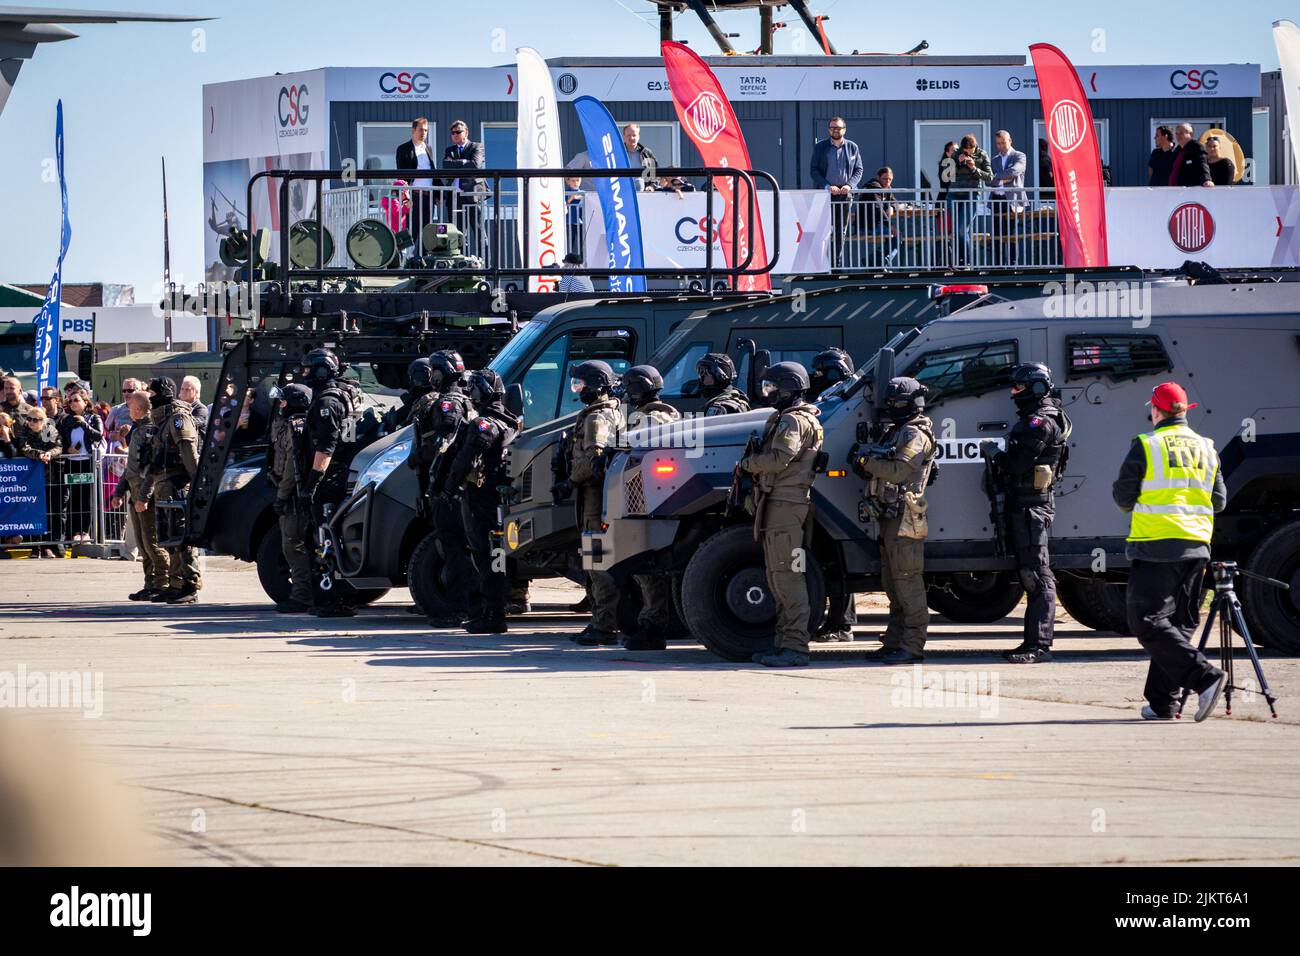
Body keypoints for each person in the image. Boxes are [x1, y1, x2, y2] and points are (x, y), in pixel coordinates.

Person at [1112, 381, 1228, 722]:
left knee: (1146, 621)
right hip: (1197, 546)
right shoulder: (1207, 447)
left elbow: (1123, 497)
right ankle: (1164, 702)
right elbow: (1219, 501)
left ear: (1156, 411)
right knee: (1178, 623)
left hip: (1157, 544)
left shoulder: (1147, 444)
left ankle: (1205, 678)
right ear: (1184, 411)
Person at [982, 363, 1072, 664]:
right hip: (1026, 503)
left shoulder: (1040, 423)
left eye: (1019, 387)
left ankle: (1040, 645)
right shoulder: (1040, 419)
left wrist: (996, 455)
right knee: (1029, 572)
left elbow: (1016, 464)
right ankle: (1032, 642)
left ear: (1035, 388)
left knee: (1037, 574)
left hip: (1032, 505)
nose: (1013, 392)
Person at [739, 362, 824, 667]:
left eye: (772, 387)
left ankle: (796, 647)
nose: (768, 393)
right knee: (778, 576)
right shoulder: (786, 419)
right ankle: (784, 643)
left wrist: (749, 463)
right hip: (777, 504)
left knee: (788, 577)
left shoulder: (794, 422)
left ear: (788, 387)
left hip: (787, 505)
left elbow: (779, 459)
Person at [851, 378, 937, 664]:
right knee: (893, 584)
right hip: (889, 515)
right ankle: (894, 641)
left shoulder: (915, 434)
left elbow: (899, 470)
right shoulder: (897, 432)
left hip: (905, 518)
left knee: (907, 582)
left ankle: (912, 646)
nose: (891, 407)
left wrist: (866, 462)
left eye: (897, 402)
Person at [444, 368, 520, 635]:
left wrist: (449, 487)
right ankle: (497, 609)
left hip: (480, 497)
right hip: (500, 498)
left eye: (473, 388)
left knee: (485, 556)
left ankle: (492, 614)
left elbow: (465, 460)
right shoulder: (511, 421)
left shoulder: (484, 424)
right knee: (498, 555)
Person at [410, 351, 479, 627]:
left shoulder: (449, 404)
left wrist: (421, 459)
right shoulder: (466, 399)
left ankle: (459, 608)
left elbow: (444, 444)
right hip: (458, 486)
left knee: (455, 550)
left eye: (435, 370)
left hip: (449, 488)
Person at [562, 360, 625, 646]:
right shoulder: (613, 412)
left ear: (596, 385)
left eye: (581, 384)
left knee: (596, 558)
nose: (578, 390)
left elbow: (593, 459)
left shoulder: (596, 418)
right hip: (603, 495)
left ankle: (603, 625)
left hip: (595, 497)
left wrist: (570, 481)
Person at [618, 365, 680, 651]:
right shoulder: (665, 414)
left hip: (645, 500)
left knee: (646, 566)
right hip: (656, 499)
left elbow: (638, 455)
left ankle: (653, 627)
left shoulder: (651, 419)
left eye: (629, 386)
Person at [300, 348, 365, 618]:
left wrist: (312, 483)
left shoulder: (327, 402)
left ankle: (331, 599)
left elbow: (326, 447)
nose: (304, 374)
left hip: (329, 478)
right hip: (340, 473)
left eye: (308, 369)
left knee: (324, 538)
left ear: (320, 370)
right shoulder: (343, 395)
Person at [808, 347, 857, 643]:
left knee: (836, 562)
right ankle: (837, 620)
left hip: (836, 492)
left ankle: (841, 624)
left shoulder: (840, 397)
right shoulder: (833, 397)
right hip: (826, 489)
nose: (814, 377)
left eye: (819, 371)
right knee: (830, 563)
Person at [144, 377, 201, 604]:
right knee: (169, 535)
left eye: (153, 392)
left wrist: (197, 481)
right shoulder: (163, 419)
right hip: (165, 483)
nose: (150, 397)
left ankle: (190, 584)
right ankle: (176, 583)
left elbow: (188, 450)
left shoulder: (178, 418)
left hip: (178, 483)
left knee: (182, 535)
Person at [110, 390, 169, 600]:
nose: (128, 409)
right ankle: (150, 582)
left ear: (138, 409)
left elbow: (152, 468)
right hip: (135, 493)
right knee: (143, 545)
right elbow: (131, 468)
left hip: (146, 495)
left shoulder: (150, 431)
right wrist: (119, 492)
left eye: (130, 406)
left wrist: (144, 497)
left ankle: (162, 583)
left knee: (152, 542)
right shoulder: (137, 431)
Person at [268, 383, 314, 613]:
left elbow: (290, 468)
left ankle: (302, 596)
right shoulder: (292, 425)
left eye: (284, 400)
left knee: (293, 545)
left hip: (293, 495)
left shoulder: (294, 428)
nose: (281, 404)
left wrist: (282, 496)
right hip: (295, 493)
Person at [810, 117, 863, 268]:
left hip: (845, 195)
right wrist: (827, 186)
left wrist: (849, 185)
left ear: (844, 129)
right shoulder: (820, 147)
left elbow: (859, 169)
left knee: (841, 231)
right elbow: (813, 171)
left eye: (838, 128)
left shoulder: (852, 147)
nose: (835, 130)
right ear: (829, 130)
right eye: (832, 127)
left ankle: (836, 264)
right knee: (824, 231)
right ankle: (822, 264)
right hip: (826, 195)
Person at [56, 388, 104, 544]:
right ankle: (74, 531)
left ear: (85, 402)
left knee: (87, 497)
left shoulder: (93, 417)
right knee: (73, 498)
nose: (72, 403)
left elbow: (98, 435)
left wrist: (84, 425)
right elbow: (60, 439)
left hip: (88, 462)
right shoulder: (66, 420)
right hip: (72, 463)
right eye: (70, 401)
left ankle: (85, 531)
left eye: (76, 400)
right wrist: (67, 448)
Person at [16, 404, 64, 558]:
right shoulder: (24, 430)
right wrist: (39, 454)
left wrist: (49, 454)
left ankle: (48, 545)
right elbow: (24, 447)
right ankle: (34, 546)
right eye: (29, 419)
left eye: (35, 420)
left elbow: (58, 446)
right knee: (33, 512)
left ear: (43, 421)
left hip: (49, 478)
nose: (31, 422)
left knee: (50, 512)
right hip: (30, 478)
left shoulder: (49, 430)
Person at [396, 117, 437, 251]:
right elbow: (401, 175)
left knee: (427, 231)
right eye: (421, 130)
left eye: (426, 130)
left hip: (428, 197)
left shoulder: (428, 148)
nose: (423, 133)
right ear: (413, 130)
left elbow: (432, 171)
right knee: (410, 231)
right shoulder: (403, 149)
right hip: (413, 196)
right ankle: (401, 261)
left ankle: (422, 264)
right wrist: (405, 197)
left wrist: (438, 195)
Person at [951, 134, 993, 267]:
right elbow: (946, 176)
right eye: (965, 150)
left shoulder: (982, 155)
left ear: (975, 147)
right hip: (954, 195)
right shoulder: (956, 154)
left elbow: (990, 177)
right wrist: (957, 162)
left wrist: (974, 168)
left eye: (970, 151)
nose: (967, 153)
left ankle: (966, 262)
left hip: (972, 195)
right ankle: (959, 262)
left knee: (963, 230)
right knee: (957, 231)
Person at [989, 130, 1027, 266]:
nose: (1001, 146)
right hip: (996, 200)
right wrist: (1003, 179)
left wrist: (998, 177)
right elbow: (990, 180)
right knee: (997, 235)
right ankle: (998, 264)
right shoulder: (994, 160)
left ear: (1010, 141)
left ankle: (1012, 264)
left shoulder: (1019, 156)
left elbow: (1015, 171)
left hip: (1013, 200)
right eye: (998, 143)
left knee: (1012, 234)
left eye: (1003, 142)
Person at [441, 119, 485, 228]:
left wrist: (456, 163)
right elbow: (446, 165)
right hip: (455, 196)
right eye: (453, 133)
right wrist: (465, 162)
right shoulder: (449, 150)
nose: (455, 135)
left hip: (472, 195)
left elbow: (475, 165)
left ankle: (483, 247)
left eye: (458, 132)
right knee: (457, 233)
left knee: (479, 230)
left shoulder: (476, 146)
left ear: (466, 133)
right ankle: (459, 246)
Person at [862, 166, 899, 267]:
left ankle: (872, 260)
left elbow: (895, 202)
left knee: (895, 236)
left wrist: (892, 207)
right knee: (896, 236)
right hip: (868, 225)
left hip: (878, 224)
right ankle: (883, 261)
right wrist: (890, 225)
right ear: (878, 177)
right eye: (885, 178)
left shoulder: (887, 188)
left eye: (890, 179)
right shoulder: (873, 187)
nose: (887, 181)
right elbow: (878, 208)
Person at [1168, 123, 1213, 188]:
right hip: (1174, 190)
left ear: (1191, 134)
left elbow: (1203, 164)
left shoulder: (1196, 147)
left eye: (1181, 133)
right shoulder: (1177, 150)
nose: (1178, 136)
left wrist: (1207, 179)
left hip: (1190, 190)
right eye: (1176, 133)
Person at [178, 376, 208, 444]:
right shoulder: (178, 407)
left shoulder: (201, 409)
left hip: (196, 451)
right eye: (182, 389)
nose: (183, 392)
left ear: (196, 392)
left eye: (187, 389)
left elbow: (189, 426)